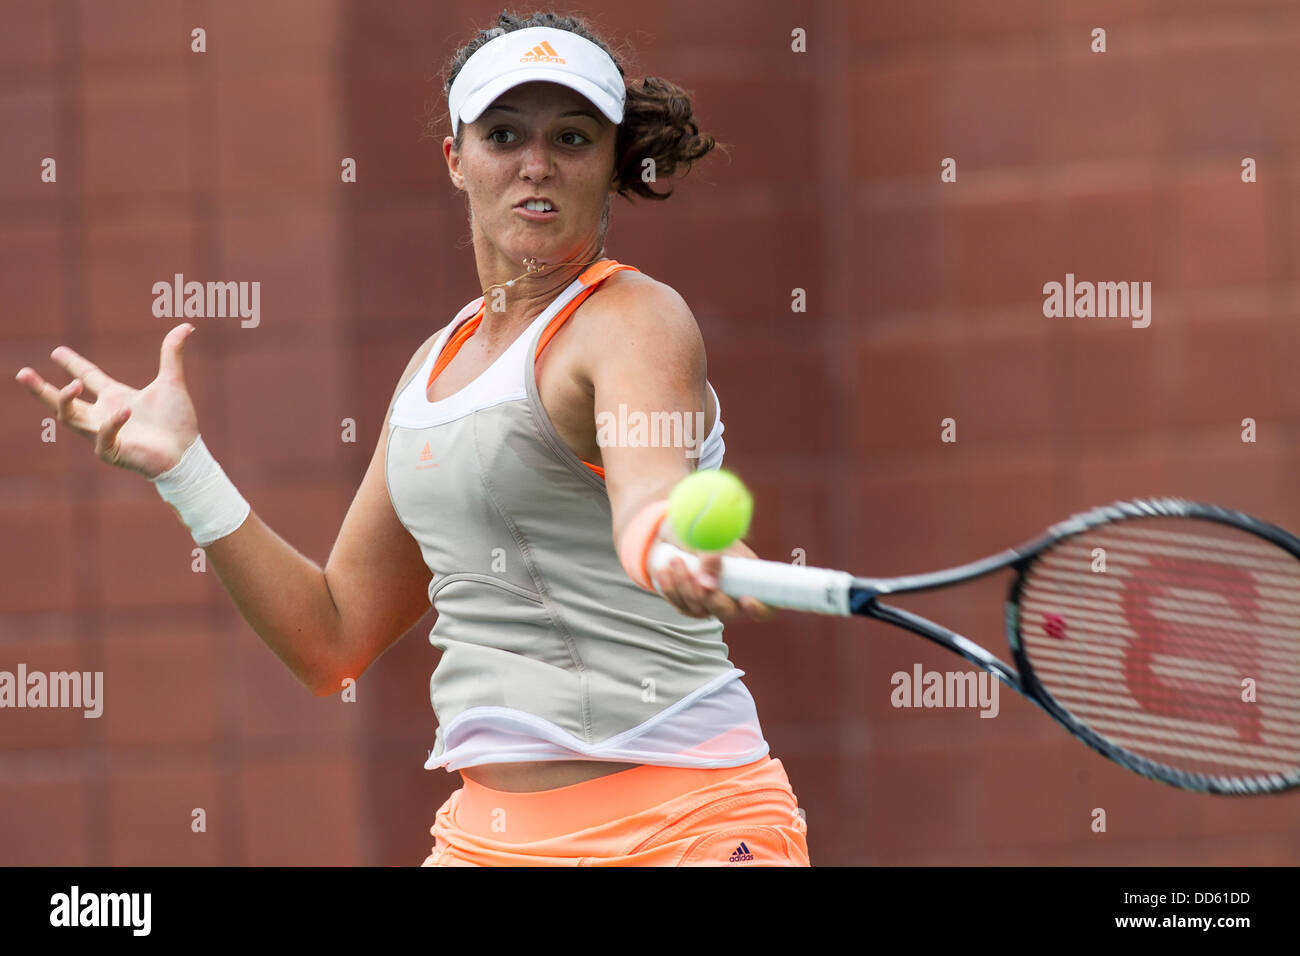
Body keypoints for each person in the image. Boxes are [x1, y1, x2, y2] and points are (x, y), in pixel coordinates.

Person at [14, 9, 810, 866]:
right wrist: (185, 470)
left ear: (611, 165)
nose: (536, 165)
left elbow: (648, 489)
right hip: (485, 843)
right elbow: (332, 641)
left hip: (684, 827)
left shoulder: (637, 320)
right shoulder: (433, 372)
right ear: (456, 160)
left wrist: (662, 542)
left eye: (572, 138)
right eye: (504, 134)